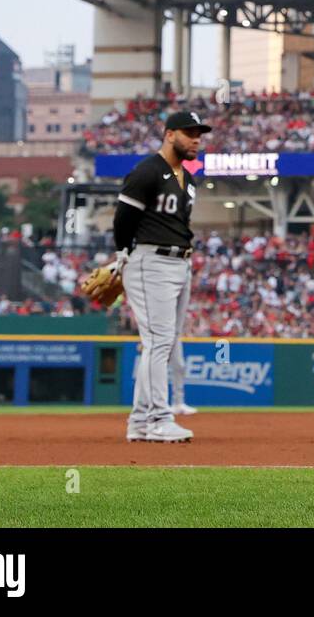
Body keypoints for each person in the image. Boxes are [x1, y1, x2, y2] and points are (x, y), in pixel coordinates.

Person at [114, 110, 212, 443]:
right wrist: (123, 254)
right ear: (169, 134)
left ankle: (140, 421)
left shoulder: (189, 178)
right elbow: (123, 218)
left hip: (180, 263)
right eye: (189, 133)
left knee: (162, 345)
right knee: (158, 343)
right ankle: (159, 417)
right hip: (150, 261)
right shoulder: (146, 171)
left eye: (199, 134)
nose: (196, 139)